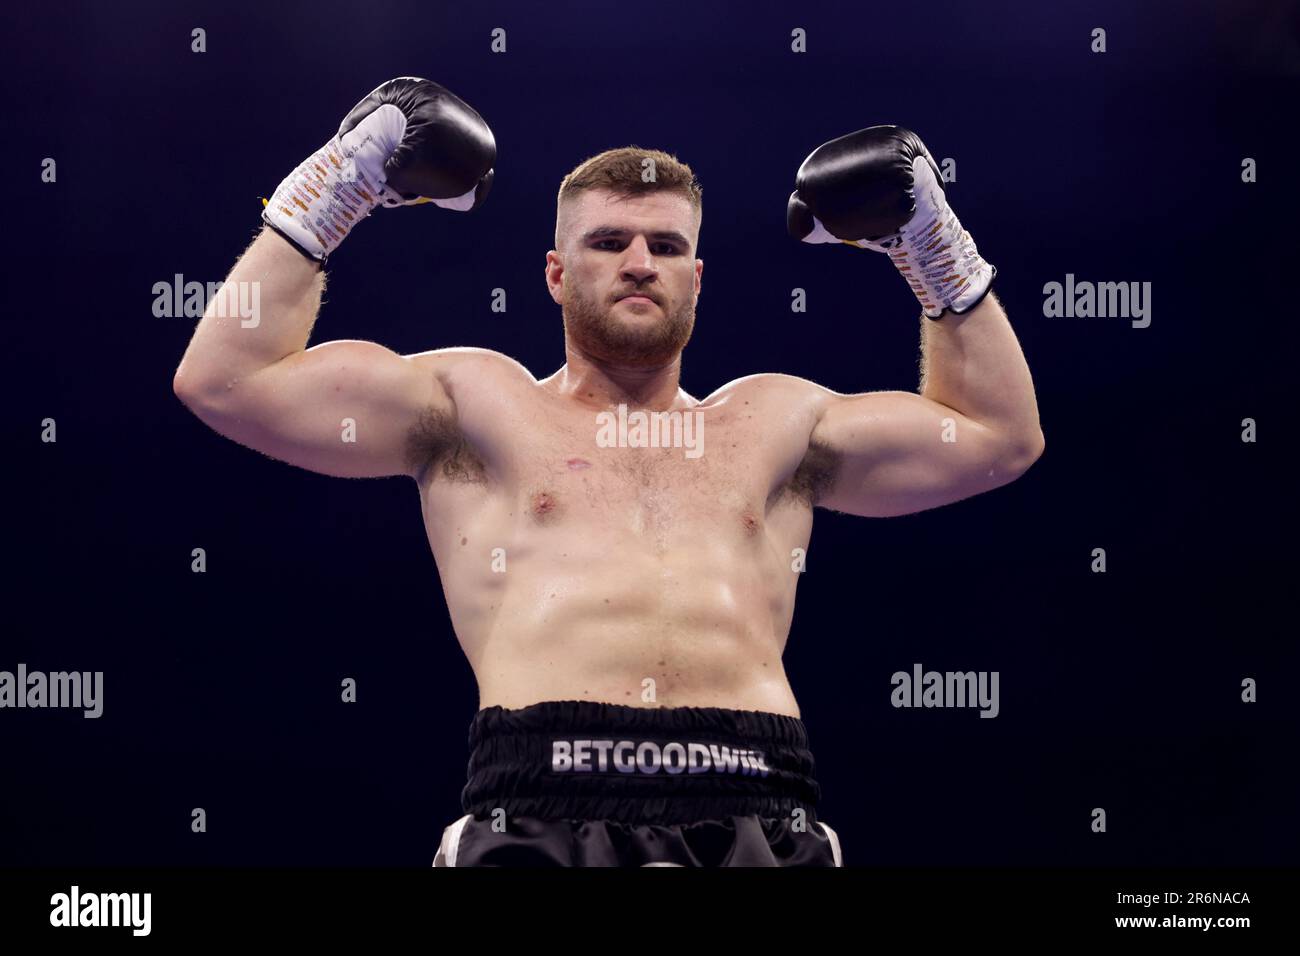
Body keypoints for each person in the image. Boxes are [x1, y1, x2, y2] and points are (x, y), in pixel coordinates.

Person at [173, 77, 1044, 867]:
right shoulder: (472, 403)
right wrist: (341, 185)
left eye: (666, 246)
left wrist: (933, 246)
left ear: (697, 279)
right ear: (555, 273)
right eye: (609, 241)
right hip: (538, 800)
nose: (639, 262)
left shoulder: (775, 421)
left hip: (758, 803)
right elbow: (225, 381)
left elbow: (1000, 439)